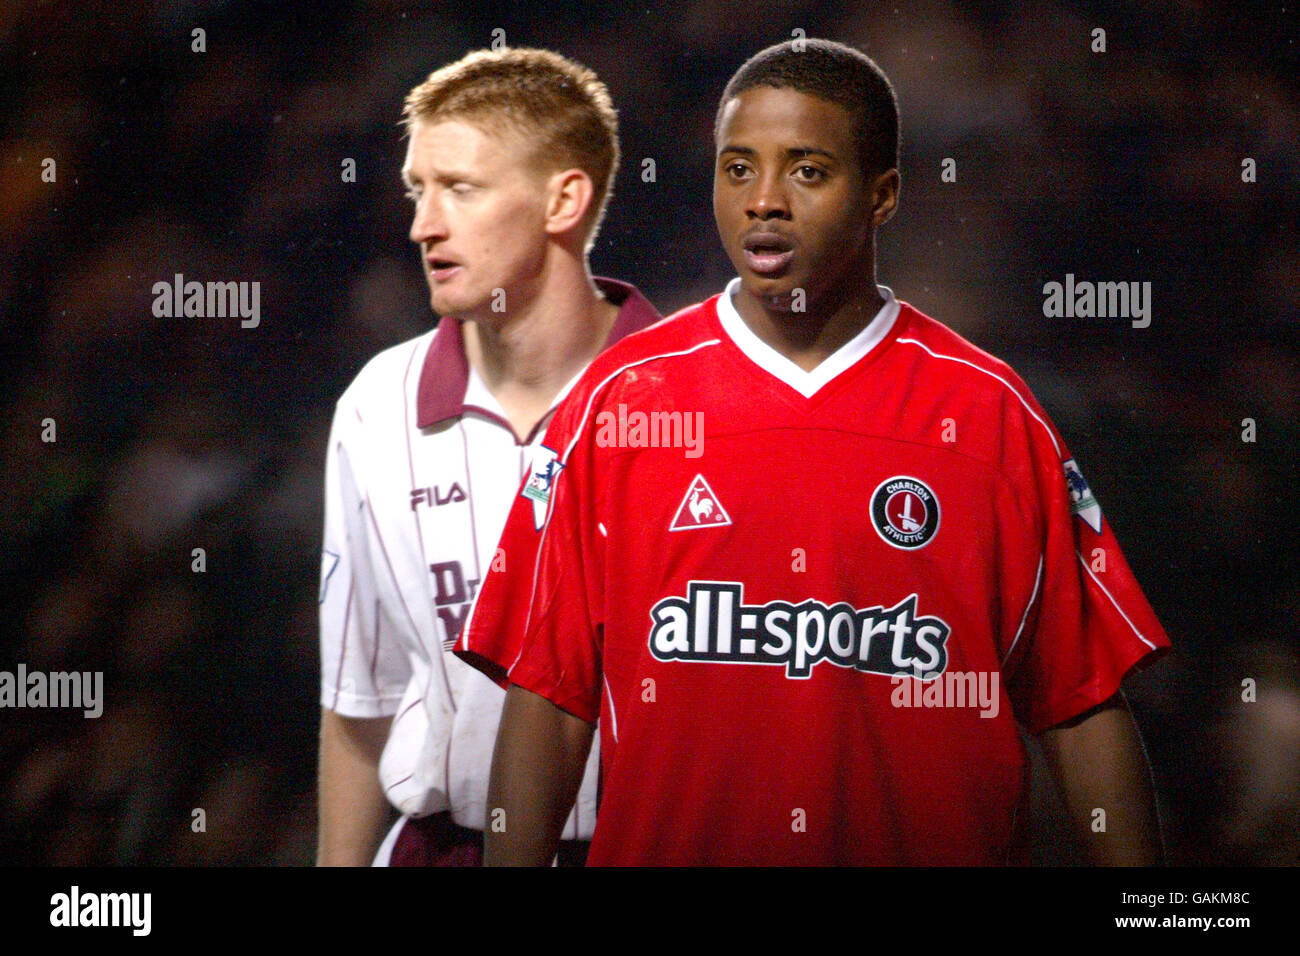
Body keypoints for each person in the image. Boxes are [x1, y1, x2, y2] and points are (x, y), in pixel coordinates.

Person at [456, 39, 1170, 866]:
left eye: (806, 170)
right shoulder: (620, 400)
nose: (763, 201)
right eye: (737, 169)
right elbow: (548, 695)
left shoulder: (990, 413)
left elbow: (1079, 704)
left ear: (883, 196)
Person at [316, 47, 660, 866]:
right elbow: (362, 707)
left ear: (563, 199)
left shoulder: (693, 404)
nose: (422, 224)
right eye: (417, 190)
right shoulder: (376, 405)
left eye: (459, 190)